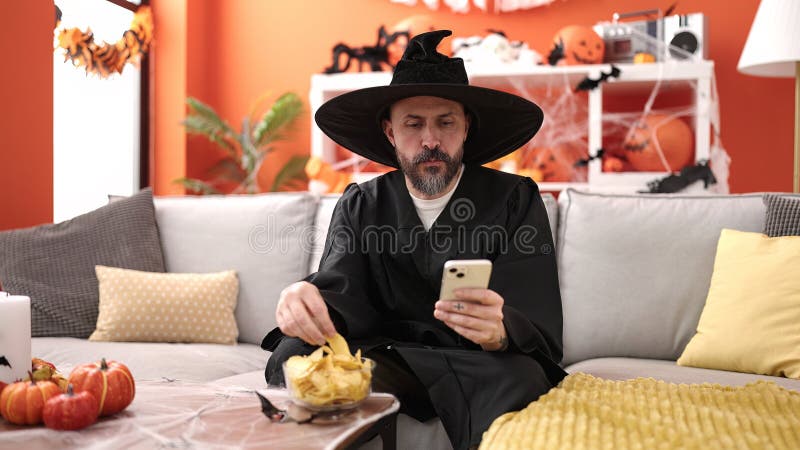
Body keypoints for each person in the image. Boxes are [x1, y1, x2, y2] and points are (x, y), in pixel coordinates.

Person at [262, 30, 566, 450]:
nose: (430, 141)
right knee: (293, 355)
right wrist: (303, 296)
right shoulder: (360, 203)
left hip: (479, 363)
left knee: (525, 376)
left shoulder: (515, 198)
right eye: (413, 124)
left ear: (466, 128)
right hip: (389, 359)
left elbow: (536, 313)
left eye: (445, 122)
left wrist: (501, 330)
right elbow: (341, 289)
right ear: (389, 132)